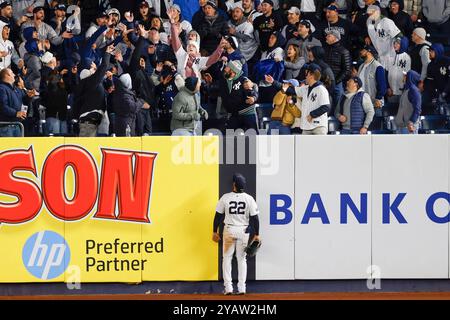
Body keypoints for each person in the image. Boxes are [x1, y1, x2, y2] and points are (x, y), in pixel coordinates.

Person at [212, 173, 260, 295]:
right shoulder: (249, 198)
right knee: (241, 259)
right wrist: (257, 234)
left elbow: (218, 216)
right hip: (243, 231)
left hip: (229, 230)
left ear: (234, 185)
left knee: (227, 258)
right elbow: (255, 218)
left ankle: (228, 288)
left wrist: (214, 231)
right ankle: (242, 288)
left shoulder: (226, 197)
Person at [0, 68, 35, 136]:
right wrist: (15, 113)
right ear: (7, 75)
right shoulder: (1, 88)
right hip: (6, 127)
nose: (14, 75)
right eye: (12, 73)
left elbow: (24, 101)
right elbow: (2, 106)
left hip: (17, 125)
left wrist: (29, 96)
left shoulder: (16, 89)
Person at [357, 45, 387, 116]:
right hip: (362, 103)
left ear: (369, 53)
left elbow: (382, 85)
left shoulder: (378, 66)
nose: (361, 52)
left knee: (376, 125)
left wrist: (378, 98)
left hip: (375, 104)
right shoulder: (361, 66)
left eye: (363, 51)